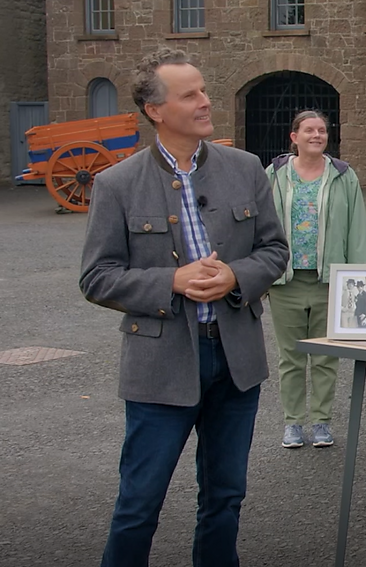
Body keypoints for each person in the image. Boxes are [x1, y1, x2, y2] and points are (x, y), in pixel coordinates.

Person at [79, 48, 288, 567]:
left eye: (203, 89)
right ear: (155, 110)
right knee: (138, 505)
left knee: (224, 499)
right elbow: (96, 277)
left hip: (236, 363)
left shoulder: (246, 168)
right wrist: (172, 279)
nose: (205, 101)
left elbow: (275, 251)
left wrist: (235, 276)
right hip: (161, 368)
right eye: (190, 94)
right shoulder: (116, 183)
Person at [265, 110, 366, 449]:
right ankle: (293, 423)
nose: (316, 135)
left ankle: (322, 421)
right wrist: (260, 272)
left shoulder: (343, 176)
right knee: (291, 356)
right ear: (293, 137)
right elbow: (259, 224)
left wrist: (359, 280)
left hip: (330, 280)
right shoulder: (275, 174)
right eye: (308, 130)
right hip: (287, 281)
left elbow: (357, 229)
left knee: (326, 357)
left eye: (322, 130)